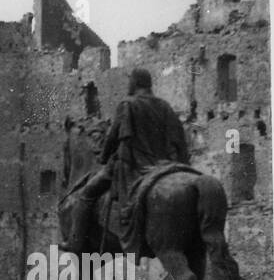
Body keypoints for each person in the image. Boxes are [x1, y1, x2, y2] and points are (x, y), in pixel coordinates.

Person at [67, 67, 190, 253]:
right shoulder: (164, 106)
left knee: (87, 193)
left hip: (133, 165)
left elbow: (112, 137)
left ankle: (74, 242)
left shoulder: (127, 104)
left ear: (135, 82)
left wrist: (103, 156)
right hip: (163, 166)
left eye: (130, 81)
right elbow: (177, 137)